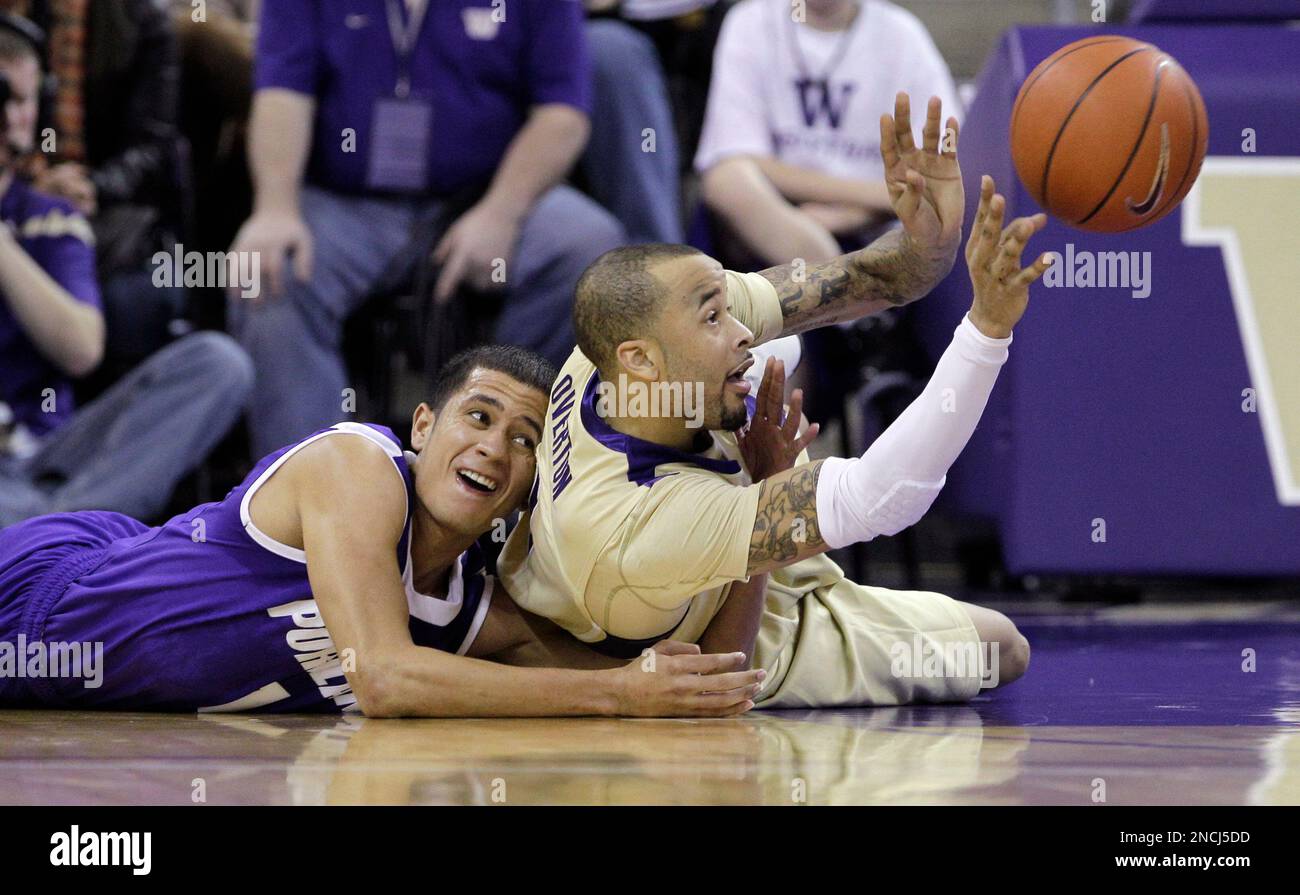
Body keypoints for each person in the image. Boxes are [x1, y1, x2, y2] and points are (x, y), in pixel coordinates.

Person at [498, 93, 1054, 708]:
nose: (736, 323)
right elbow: (885, 497)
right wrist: (986, 333)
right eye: (713, 317)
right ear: (640, 358)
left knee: (762, 360)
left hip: (702, 550)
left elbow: (867, 281)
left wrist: (926, 244)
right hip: (734, 637)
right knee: (1000, 648)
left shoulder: (618, 344)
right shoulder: (637, 526)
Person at [0, 344, 766, 717]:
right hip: (45, 589)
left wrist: (762, 513)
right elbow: (385, 677)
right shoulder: (355, 463)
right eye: (478, 416)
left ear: (530, 487)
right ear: (423, 427)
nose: (494, 449)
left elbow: (703, 680)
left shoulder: (471, 611)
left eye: (526, 439)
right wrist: (617, 698)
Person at [229, 0, 626, 458]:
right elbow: (282, 93)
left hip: (487, 193)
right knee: (266, 268)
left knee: (585, 247)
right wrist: (275, 207)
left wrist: (501, 211)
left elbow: (562, 114)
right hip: (346, 205)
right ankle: (306, 492)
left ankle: (508, 458)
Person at [0, 18, 251, 529]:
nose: (12, 117)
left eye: (24, 100)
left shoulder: (50, 216)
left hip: (45, 457)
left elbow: (81, 347)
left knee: (218, 363)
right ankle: (60, 540)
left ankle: (56, 534)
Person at [697, 0, 961, 266]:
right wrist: (884, 195)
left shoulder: (902, 34)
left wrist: (842, 217)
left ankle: (840, 288)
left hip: (874, 231)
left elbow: (938, 173)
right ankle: (838, 285)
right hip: (773, 220)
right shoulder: (751, 21)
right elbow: (738, 160)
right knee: (726, 178)